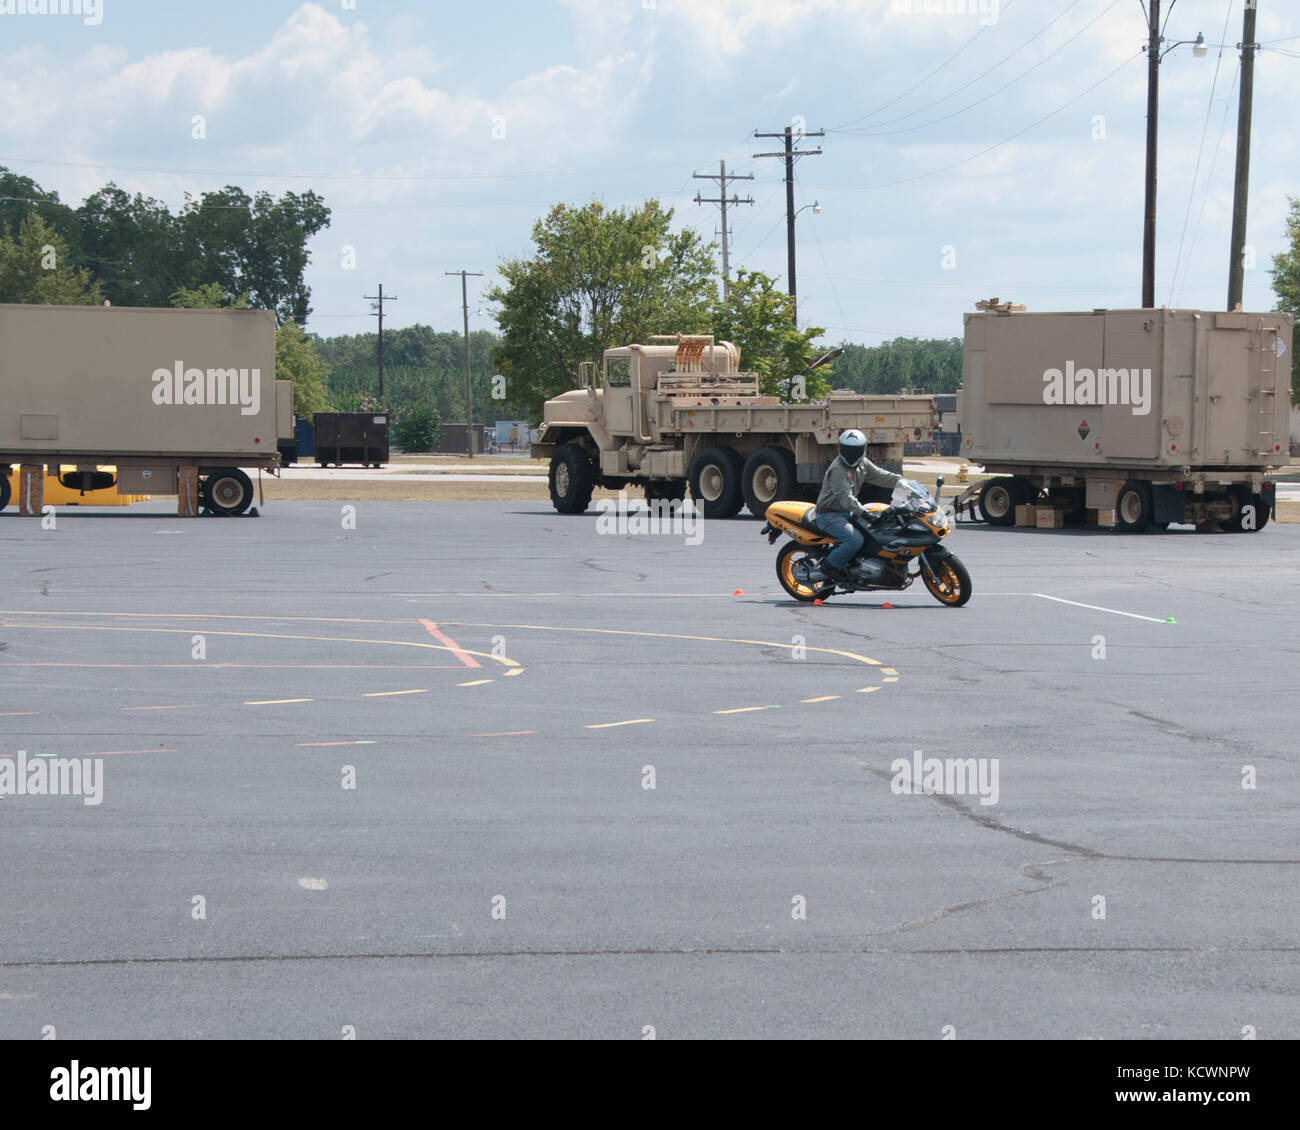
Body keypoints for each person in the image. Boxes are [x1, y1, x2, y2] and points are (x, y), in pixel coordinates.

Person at [815, 428, 902, 583]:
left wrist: (903, 482)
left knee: (876, 532)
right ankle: (829, 566)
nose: (850, 454)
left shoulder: (862, 463)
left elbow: (880, 476)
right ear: (840, 448)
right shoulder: (838, 469)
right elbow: (846, 499)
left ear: (863, 449)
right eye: (847, 450)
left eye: (854, 450)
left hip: (846, 513)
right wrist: (865, 513)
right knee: (854, 540)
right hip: (829, 514)